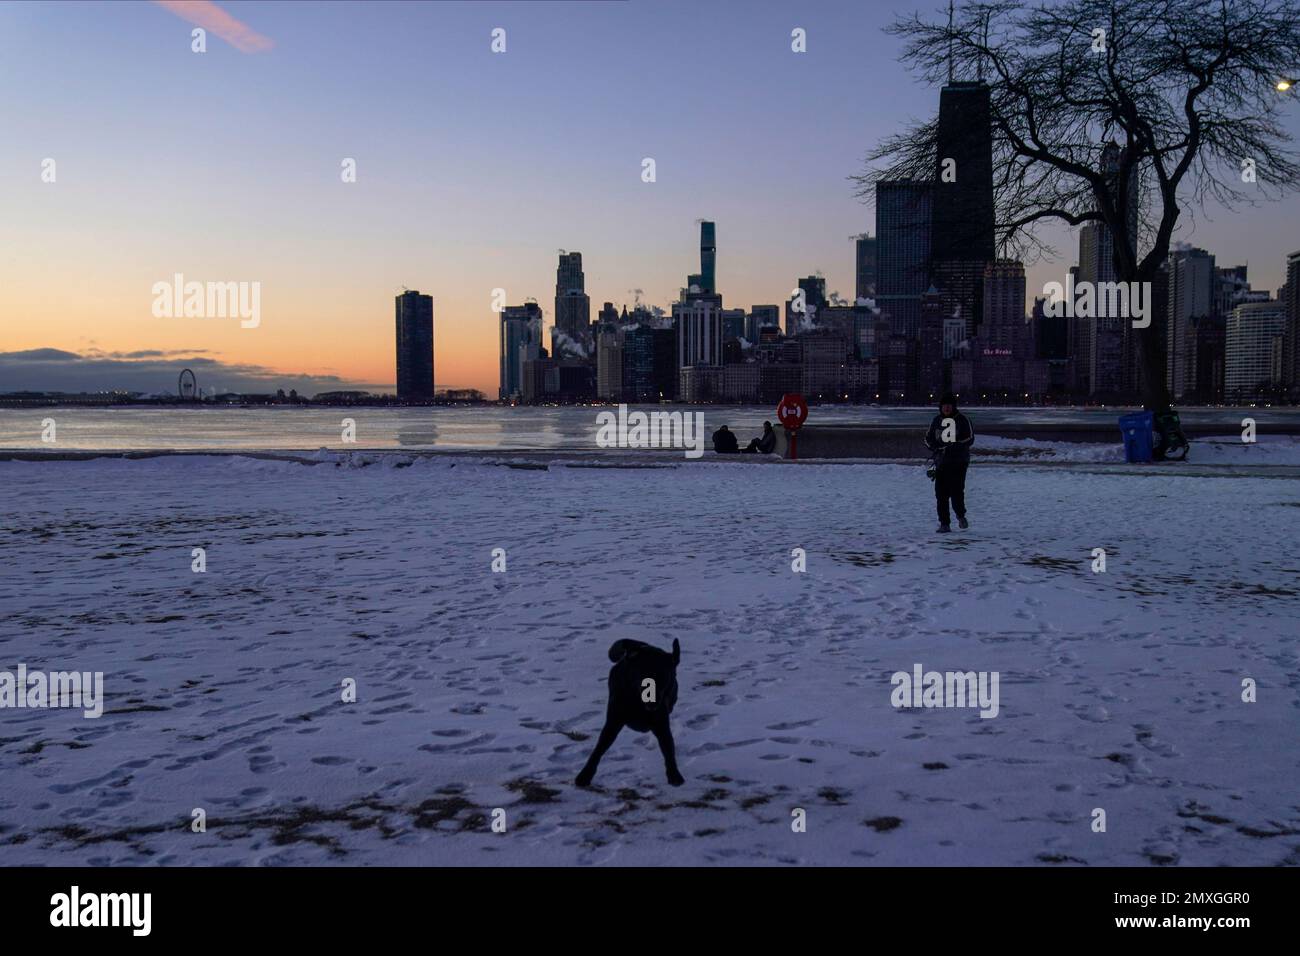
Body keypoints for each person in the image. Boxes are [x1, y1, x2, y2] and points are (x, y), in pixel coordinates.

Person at [924, 393, 974, 533]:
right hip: (941, 463)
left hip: (959, 462)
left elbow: (969, 438)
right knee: (941, 494)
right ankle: (944, 523)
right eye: (944, 405)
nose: (946, 408)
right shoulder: (936, 421)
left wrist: (953, 446)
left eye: (949, 405)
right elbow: (928, 438)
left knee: (957, 491)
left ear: (953, 407)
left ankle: (960, 515)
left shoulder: (963, 420)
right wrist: (934, 447)